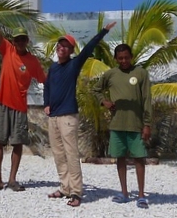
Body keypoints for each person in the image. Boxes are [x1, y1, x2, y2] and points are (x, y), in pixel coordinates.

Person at [0, 0, 46, 192]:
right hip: (3, 103)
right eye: (17, 39)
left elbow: (46, 80)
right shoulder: (8, 50)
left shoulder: (33, 62)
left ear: (27, 41)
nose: (20, 42)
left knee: (17, 143)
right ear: (14, 41)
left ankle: (13, 179)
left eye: (23, 39)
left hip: (20, 107)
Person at [43, 22, 117, 207]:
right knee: (59, 154)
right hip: (53, 117)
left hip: (68, 116)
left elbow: (90, 47)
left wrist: (104, 31)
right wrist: (46, 104)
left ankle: (76, 192)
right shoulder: (53, 68)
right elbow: (47, 86)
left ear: (70, 51)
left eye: (66, 46)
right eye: (60, 45)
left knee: (71, 154)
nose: (62, 48)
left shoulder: (73, 65)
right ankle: (65, 187)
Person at [98, 43, 153, 208]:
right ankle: (124, 192)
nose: (124, 61)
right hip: (117, 125)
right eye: (120, 58)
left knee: (139, 159)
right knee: (120, 158)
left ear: (132, 56)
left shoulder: (141, 73)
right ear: (115, 58)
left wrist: (147, 124)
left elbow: (147, 100)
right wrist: (104, 102)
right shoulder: (110, 74)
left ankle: (142, 195)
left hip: (136, 125)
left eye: (126, 57)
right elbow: (95, 90)